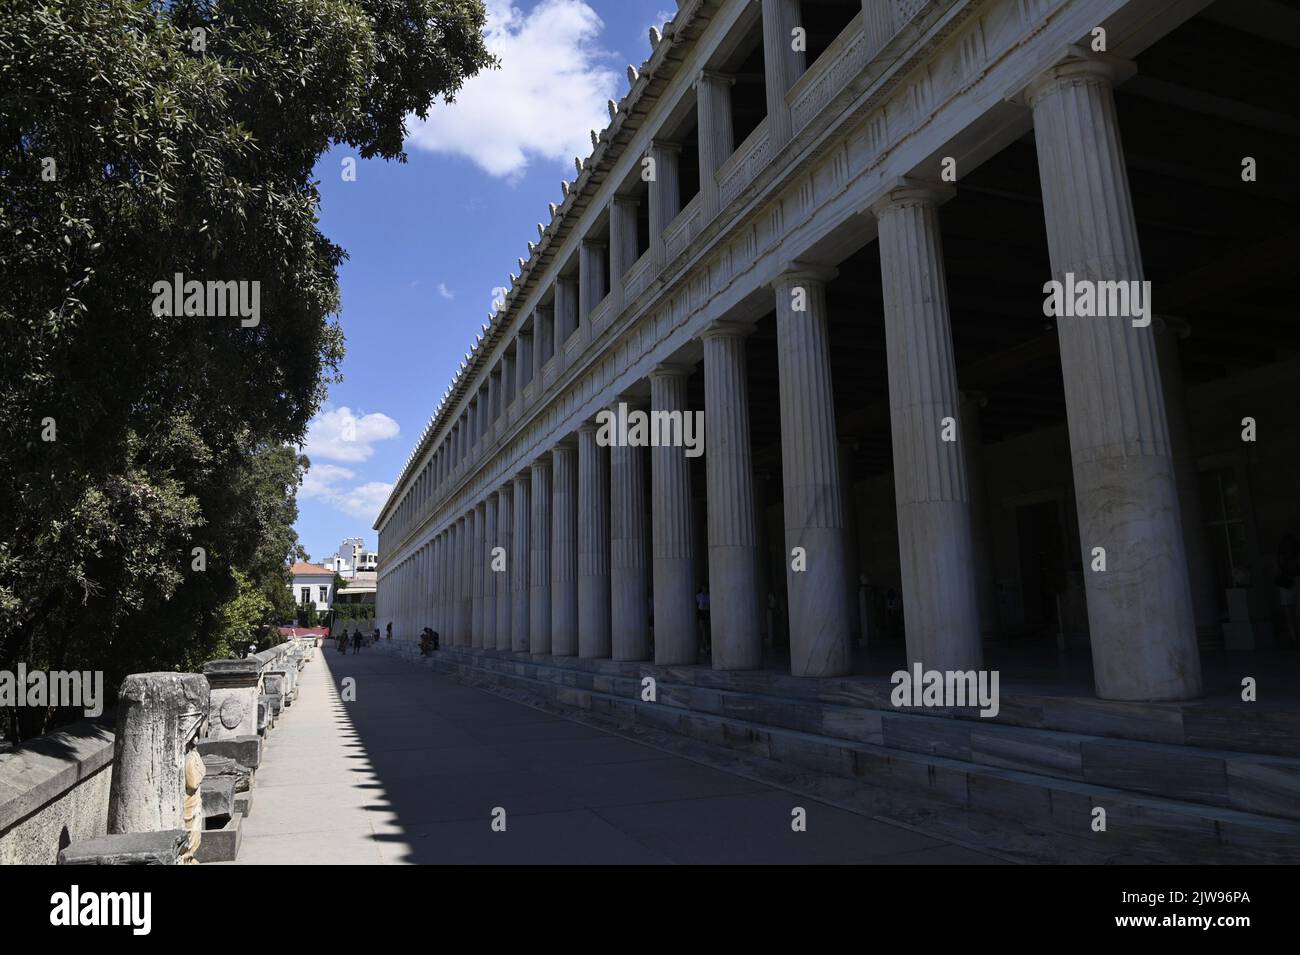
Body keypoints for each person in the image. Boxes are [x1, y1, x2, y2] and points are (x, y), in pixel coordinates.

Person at [695, 584, 711, 656]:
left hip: (707, 613)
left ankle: (703, 647)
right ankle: (706, 646)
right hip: (701, 614)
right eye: (703, 587)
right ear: (701, 588)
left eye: (705, 588)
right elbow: (696, 605)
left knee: (707, 631)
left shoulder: (709, 595)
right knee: (703, 631)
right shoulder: (699, 596)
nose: (704, 589)